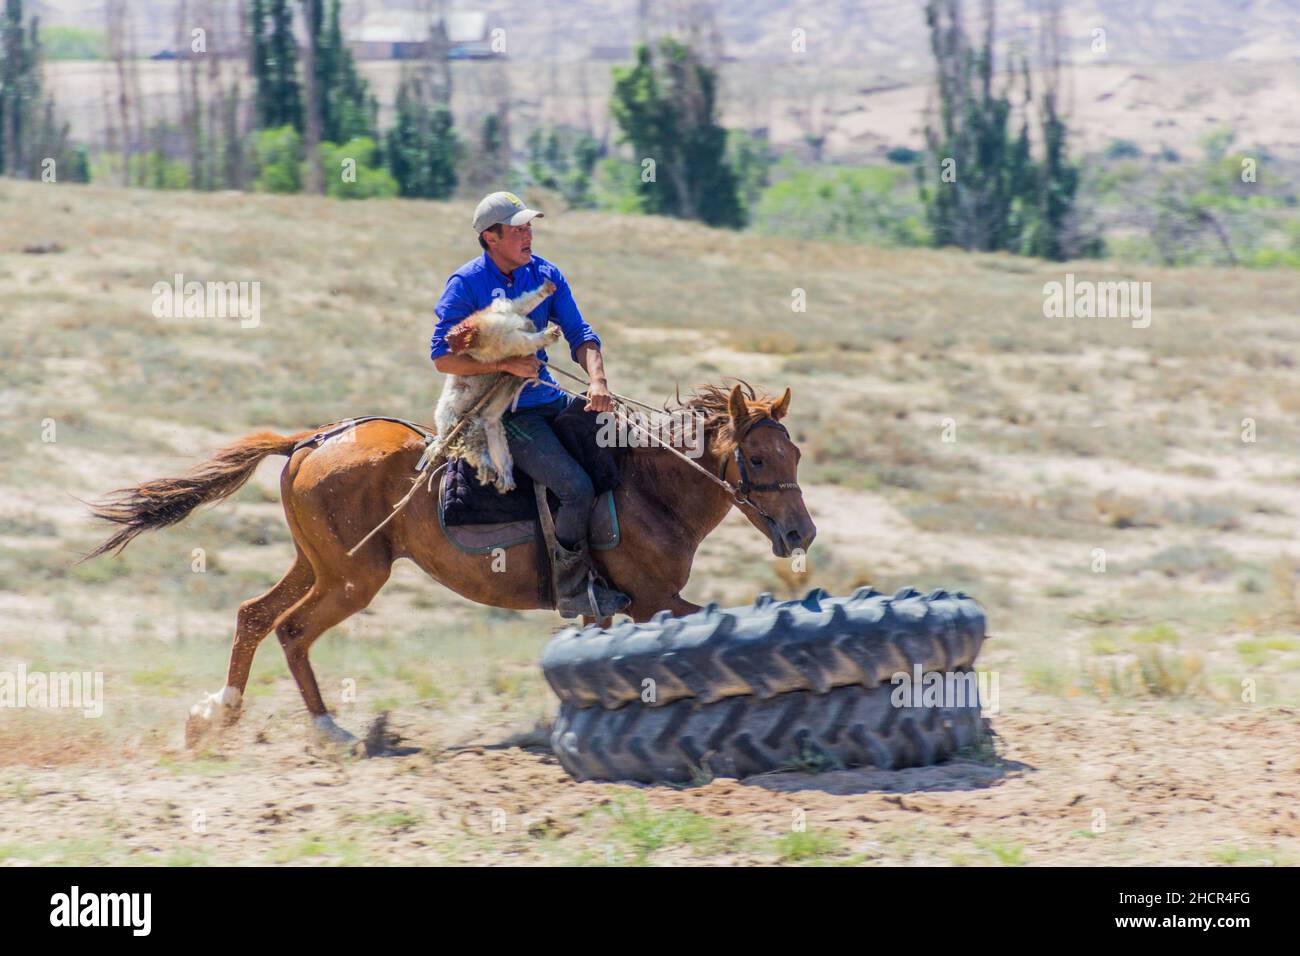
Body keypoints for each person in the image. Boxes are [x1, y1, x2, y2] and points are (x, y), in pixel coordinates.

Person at [431, 191, 630, 619]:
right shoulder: (465, 284)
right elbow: (441, 357)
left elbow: (580, 334)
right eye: (518, 229)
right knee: (576, 489)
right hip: (505, 414)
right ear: (490, 237)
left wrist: (597, 380)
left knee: (623, 453)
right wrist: (505, 363)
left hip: (548, 397)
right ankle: (572, 590)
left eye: (529, 227)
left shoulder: (545, 274)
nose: (528, 235)